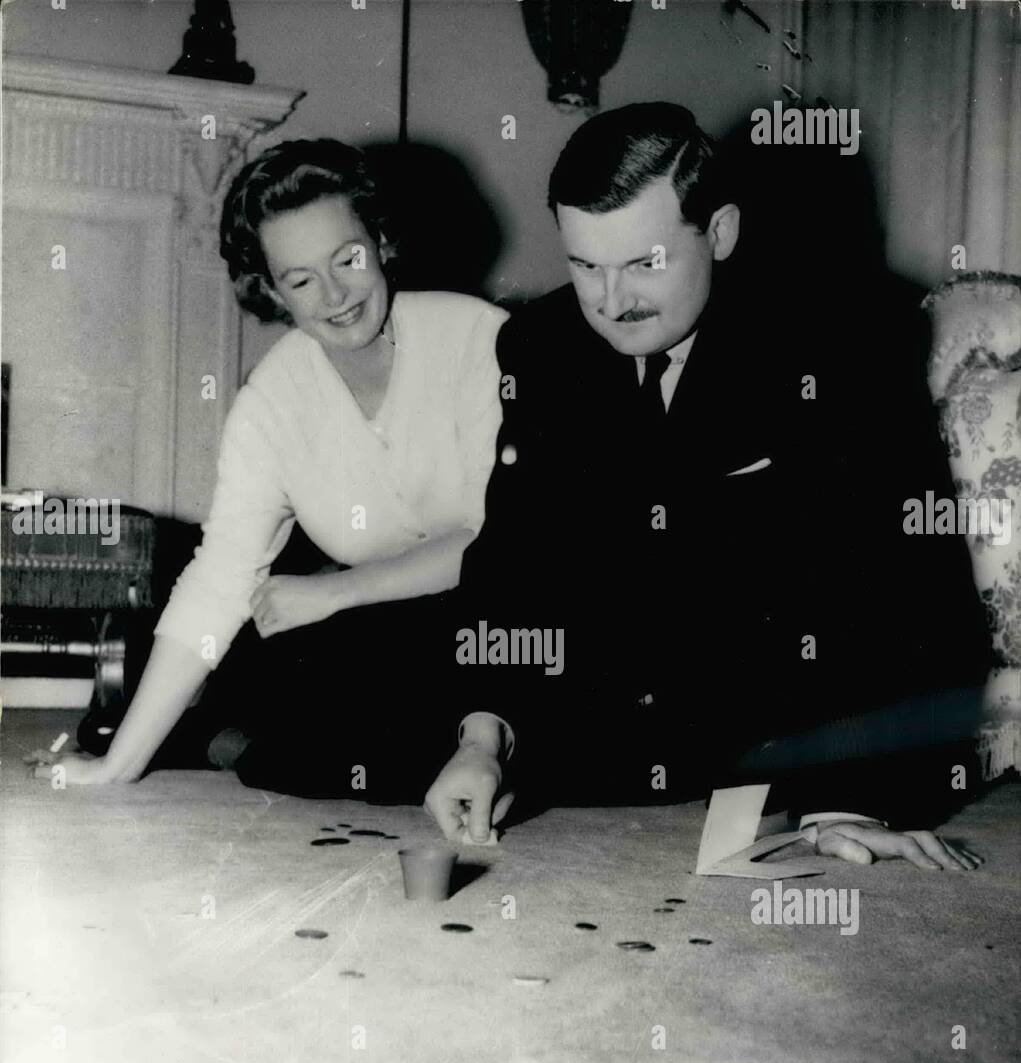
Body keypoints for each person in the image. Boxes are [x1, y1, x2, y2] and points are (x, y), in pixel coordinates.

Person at [424, 103, 991, 870]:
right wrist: (484, 737)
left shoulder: (843, 336)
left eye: (643, 263)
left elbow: (898, 586)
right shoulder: (539, 343)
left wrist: (849, 798)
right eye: (585, 265)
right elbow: (516, 557)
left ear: (718, 233)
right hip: (604, 711)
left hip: (776, 722)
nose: (610, 300)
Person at [30, 139, 507, 799]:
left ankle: (233, 740)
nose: (335, 295)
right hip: (391, 640)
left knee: (356, 720)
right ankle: (220, 736)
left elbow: (507, 542)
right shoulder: (271, 401)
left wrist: (339, 591)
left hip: (510, 625)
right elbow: (221, 578)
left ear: (382, 239)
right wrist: (119, 768)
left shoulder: (482, 339)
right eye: (301, 279)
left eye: (348, 258)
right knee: (302, 670)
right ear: (271, 289)